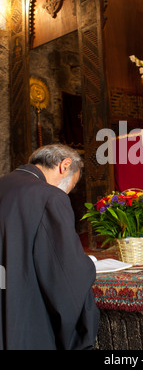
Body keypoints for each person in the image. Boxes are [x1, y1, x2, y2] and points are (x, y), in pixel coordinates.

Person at [0, 144, 100, 350]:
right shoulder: (49, 196)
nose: (65, 192)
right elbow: (62, 268)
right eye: (69, 187)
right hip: (26, 315)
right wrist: (86, 265)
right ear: (64, 165)